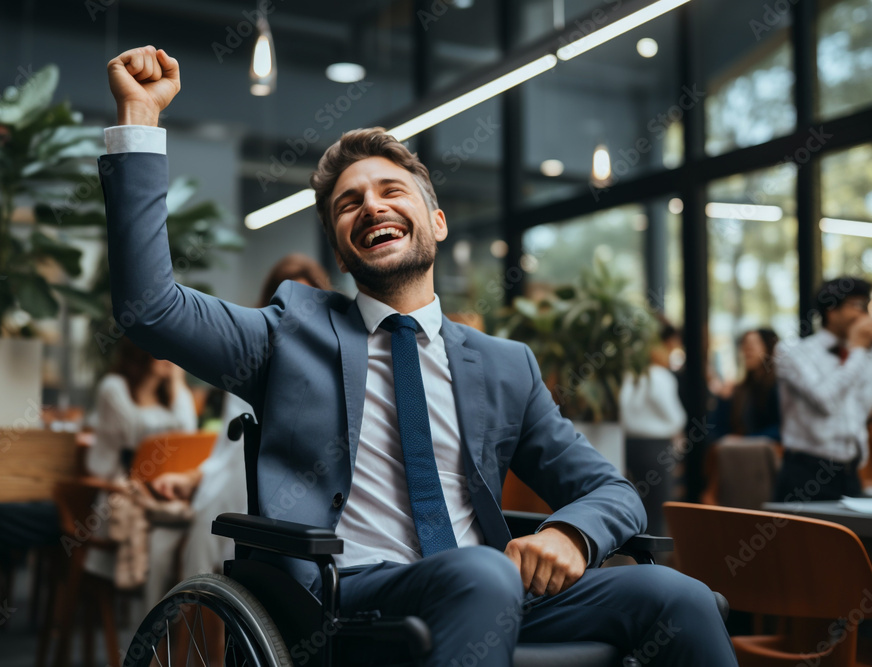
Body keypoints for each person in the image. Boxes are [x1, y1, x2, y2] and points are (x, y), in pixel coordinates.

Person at [99, 45, 736, 666]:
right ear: (340, 248)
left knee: (675, 595)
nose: (371, 205)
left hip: (489, 586)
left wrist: (569, 532)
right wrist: (140, 121)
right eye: (349, 203)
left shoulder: (504, 364)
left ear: (436, 222)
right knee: (482, 575)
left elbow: (610, 490)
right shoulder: (286, 333)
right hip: (347, 598)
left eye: (391, 191)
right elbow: (149, 307)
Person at [150, 254, 333, 583]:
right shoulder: (250, 367)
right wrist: (192, 481)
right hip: (245, 498)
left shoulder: (335, 374)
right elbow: (229, 454)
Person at [85, 336, 199, 607]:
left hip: (164, 496)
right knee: (165, 542)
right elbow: (134, 434)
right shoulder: (114, 388)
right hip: (123, 494)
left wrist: (178, 383)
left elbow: (188, 434)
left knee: (185, 535)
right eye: (164, 350)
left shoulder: (171, 394)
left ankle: (171, 621)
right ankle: (152, 626)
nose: (170, 359)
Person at [774, 277, 872, 502]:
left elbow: (864, 412)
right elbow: (826, 400)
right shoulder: (794, 352)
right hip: (805, 475)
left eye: (866, 306)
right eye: (856, 305)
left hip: (850, 474)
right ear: (831, 310)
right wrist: (857, 351)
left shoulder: (863, 358)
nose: (864, 316)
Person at [619, 323, 686, 536]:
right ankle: (658, 560)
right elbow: (675, 416)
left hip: (630, 447)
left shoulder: (630, 376)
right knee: (659, 508)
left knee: (635, 506)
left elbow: (623, 409)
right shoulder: (660, 376)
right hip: (657, 449)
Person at [729, 328, 780, 441]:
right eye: (745, 345)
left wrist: (746, 440)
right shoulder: (743, 388)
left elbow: (781, 427)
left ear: (769, 348)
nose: (747, 350)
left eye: (753, 344)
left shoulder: (777, 386)